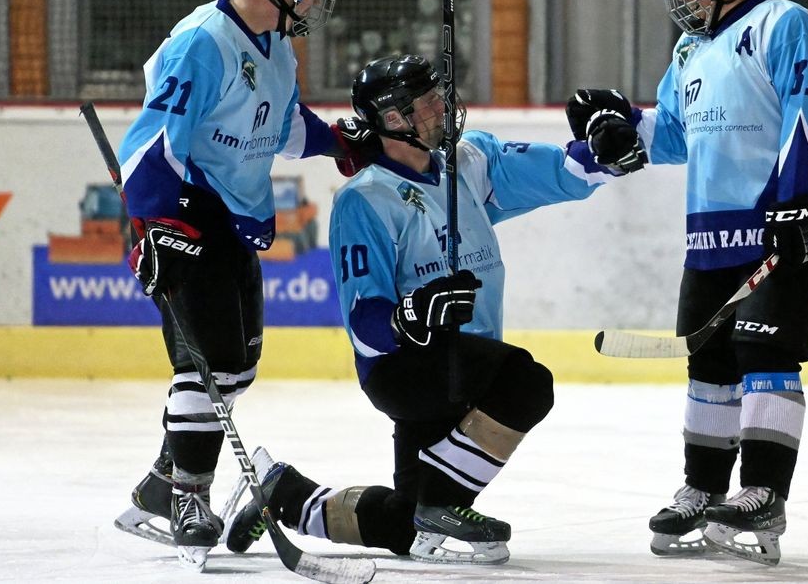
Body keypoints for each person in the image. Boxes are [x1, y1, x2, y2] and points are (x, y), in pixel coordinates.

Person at [219, 53, 646, 565]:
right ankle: (441, 503)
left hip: (467, 362)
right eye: (427, 102)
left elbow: (560, 172)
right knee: (527, 382)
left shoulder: (471, 162)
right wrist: (411, 315)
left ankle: (285, 495)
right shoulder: (365, 200)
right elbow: (364, 324)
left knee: (405, 523)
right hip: (410, 370)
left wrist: (603, 149)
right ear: (394, 119)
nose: (442, 106)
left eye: (438, 94)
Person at [565, 0, 808, 565]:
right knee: (708, 363)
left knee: (762, 351)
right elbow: (674, 135)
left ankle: (763, 493)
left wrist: (797, 198)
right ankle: (702, 488)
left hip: (780, 225)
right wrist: (617, 127)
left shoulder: (786, 23)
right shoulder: (690, 50)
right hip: (710, 236)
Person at [109, 0, 355, 571]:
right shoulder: (205, 41)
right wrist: (153, 226)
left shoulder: (275, 47)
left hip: (234, 219)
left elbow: (282, 125)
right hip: (187, 214)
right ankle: (188, 496)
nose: (313, 2)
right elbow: (151, 143)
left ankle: (161, 484)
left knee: (237, 365)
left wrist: (340, 144)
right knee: (209, 364)